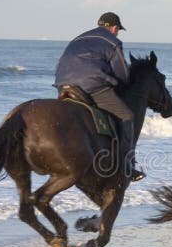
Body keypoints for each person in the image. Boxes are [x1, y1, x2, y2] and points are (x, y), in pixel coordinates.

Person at [54, 12, 145, 181]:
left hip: (62, 84)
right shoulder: (113, 42)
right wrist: (118, 82)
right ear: (114, 28)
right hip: (91, 86)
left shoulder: (78, 39)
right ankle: (125, 164)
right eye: (118, 30)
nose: (117, 33)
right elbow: (123, 74)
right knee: (126, 116)